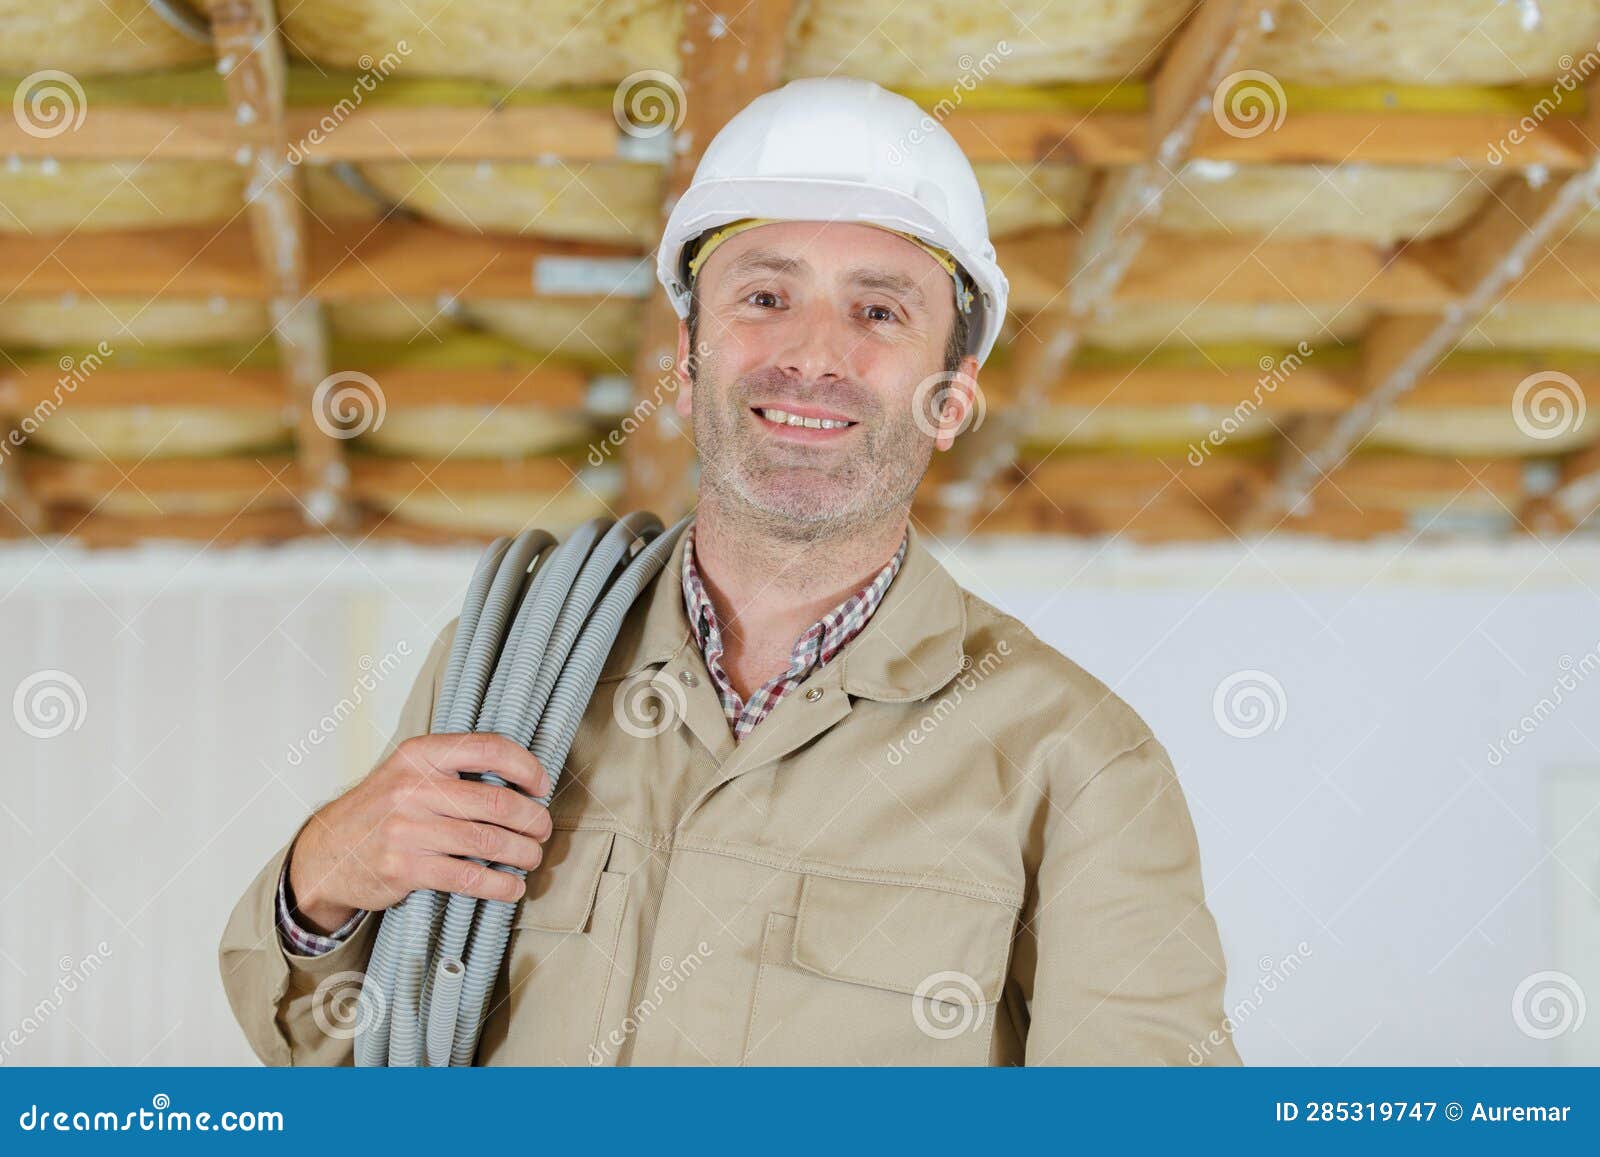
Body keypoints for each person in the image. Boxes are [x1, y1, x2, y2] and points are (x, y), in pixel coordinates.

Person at [219, 76, 1239, 1066]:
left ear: (951, 395)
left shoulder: (1072, 759)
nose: (812, 352)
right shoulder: (510, 675)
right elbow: (344, 1057)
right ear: (687, 354)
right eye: (765, 294)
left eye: (879, 312)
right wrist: (320, 883)